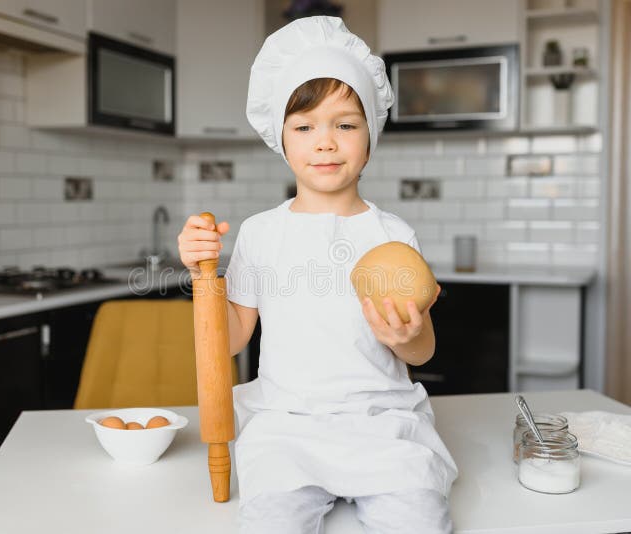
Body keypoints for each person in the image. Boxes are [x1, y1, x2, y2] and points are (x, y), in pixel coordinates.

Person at [177, 16, 458, 534]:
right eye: (304, 126)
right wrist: (202, 273)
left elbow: (422, 352)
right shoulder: (262, 233)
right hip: (288, 429)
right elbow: (231, 339)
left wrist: (411, 335)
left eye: (346, 124)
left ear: (370, 138)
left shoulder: (393, 234)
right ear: (281, 140)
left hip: (383, 427)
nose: (324, 142)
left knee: (420, 519)